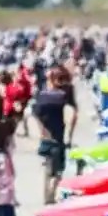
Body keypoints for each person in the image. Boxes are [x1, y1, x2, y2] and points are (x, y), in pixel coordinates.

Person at [32, 66, 78, 204]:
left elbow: (35, 113)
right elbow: (73, 115)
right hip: (58, 138)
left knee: (47, 170)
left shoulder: (42, 95)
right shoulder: (64, 96)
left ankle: (47, 195)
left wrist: (41, 130)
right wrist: (69, 135)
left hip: (45, 138)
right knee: (57, 172)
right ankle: (51, 193)